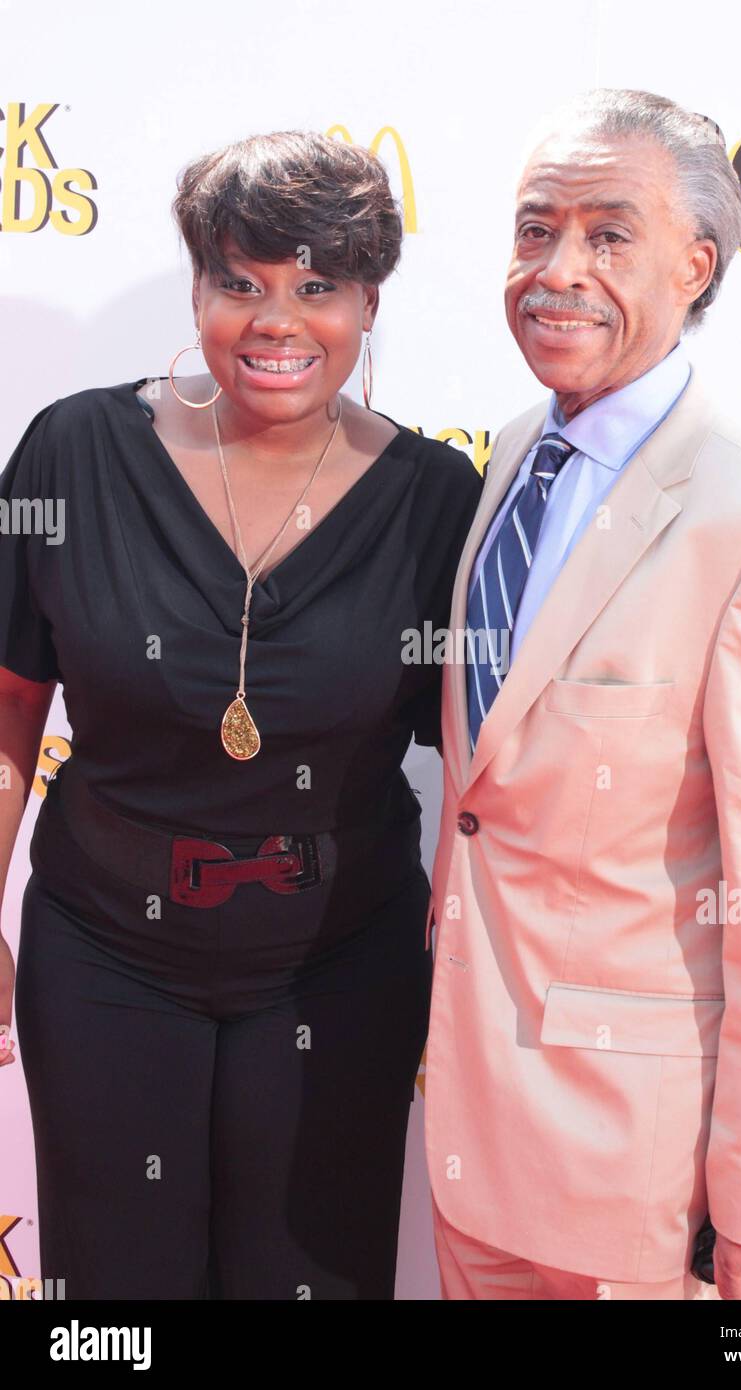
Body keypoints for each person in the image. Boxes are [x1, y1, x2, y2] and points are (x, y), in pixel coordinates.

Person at [0, 129, 481, 1299]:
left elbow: (484, 771)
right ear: (200, 286)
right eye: (242, 283)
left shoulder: (434, 500)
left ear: (370, 300)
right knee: (112, 1303)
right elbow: (10, 706)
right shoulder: (75, 453)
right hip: (104, 947)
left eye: (318, 286)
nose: (278, 321)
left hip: (338, 968)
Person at [422, 88, 741, 1301]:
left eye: (608, 235)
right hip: (472, 1136)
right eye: (534, 229)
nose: (558, 270)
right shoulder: (514, 450)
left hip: (637, 1172)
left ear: (696, 264)